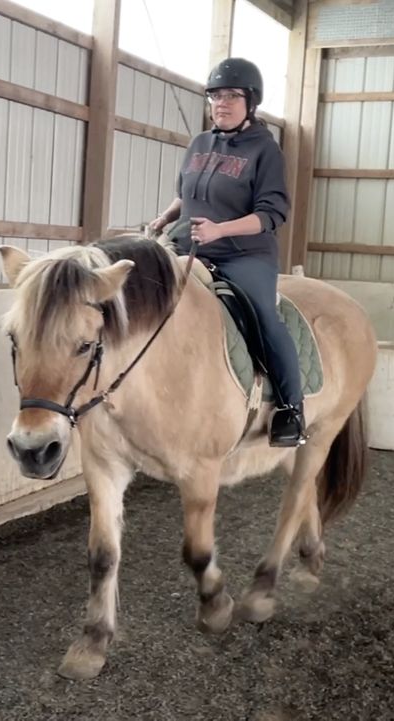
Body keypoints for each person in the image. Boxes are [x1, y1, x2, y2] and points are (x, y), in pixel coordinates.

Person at [148, 57, 305, 448]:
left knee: (265, 318)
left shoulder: (266, 151)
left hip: (243, 253)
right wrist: (165, 218)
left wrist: (221, 230)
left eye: (232, 95)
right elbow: (186, 194)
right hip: (190, 245)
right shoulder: (199, 144)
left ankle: (291, 408)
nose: (221, 103)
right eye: (216, 95)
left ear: (251, 102)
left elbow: (271, 215)